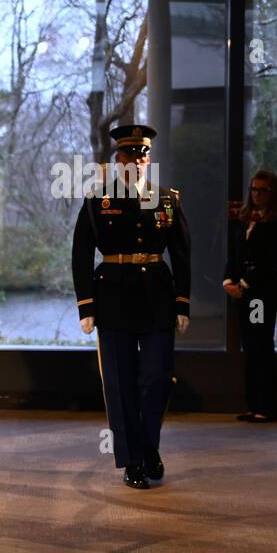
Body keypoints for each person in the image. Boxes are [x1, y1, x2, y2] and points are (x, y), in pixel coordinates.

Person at [72, 124, 191, 489]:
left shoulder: (167, 199)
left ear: (148, 160)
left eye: (142, 155)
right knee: (121, 384)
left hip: (157, 298)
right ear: (117, 160)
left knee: (157, 379)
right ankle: (133, 459)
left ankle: (149, 445)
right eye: (129, 156)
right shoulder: (97, 201)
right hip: (113, 300)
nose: (136, 162)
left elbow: (182, 253)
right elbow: (80, 255)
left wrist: (182, 303)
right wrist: (86, 306)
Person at [224, 170, 277, 423]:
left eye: (263, 190)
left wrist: (243, 284)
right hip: (242, 292)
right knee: (250, 348)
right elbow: (234, 253)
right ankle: (255, 406)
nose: (257, 195)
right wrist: (228, 280)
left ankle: (266, 407)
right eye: (254, 189)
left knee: (260, 346)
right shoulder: (245, 219)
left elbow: (271, 260)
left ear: (272, 193)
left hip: (259, 295)